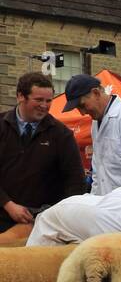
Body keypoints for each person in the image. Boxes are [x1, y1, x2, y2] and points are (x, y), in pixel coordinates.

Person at [28, 73, 121, 247]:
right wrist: (94, 204)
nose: (82, 112)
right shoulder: (96, 123)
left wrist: (114, 211)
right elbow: (99, 174)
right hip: (115, 217)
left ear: (96, 93)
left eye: (83, 105)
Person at [0, 72, 84, 240]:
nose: (44, 106)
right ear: (20, 96)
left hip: (39, 226)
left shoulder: (62, 135)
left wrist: (50, 215)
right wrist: (7, 204)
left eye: (49, 101)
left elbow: (76, 183)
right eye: (38, 100)